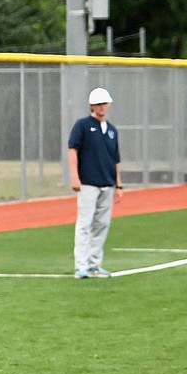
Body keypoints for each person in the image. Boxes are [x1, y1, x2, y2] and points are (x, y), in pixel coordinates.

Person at [68, 86, 123, 279]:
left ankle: (94, 264)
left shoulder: (112, 130)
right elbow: (73, 150)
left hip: (106, 183)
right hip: (88, 183)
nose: (101, 107)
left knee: (101, 224)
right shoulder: (82, 125)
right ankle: (81, 265)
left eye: (104, 103)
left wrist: (118, 185)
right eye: (98, 103)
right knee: (85, 223)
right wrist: (75, 176)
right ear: (92, 105)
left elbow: (115, 159)